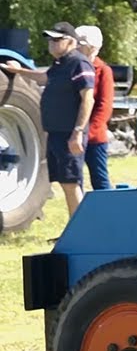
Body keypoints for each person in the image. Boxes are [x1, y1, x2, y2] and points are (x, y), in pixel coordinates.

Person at [2, 22, 95, 215]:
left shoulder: (79, 63)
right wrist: (19, 71)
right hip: (55, 133)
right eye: (50, 40)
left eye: (56, 40)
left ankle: (79, 234)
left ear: (70, 41)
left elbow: (88, 99)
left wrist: (77, 133)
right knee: (64, 182)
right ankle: (74, 231)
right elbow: (44, 78)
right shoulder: (60, 64)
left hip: (69, 134)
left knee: (71, 184)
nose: (51, 44)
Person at [76, 25, 114, 191]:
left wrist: (87, 134)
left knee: (100, 180)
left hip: (94, 138)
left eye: (80, 43)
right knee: (75, 181)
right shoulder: (75, 67)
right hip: (75, 136)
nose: (76, 47)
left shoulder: (103, 71)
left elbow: (104, 107)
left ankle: (109, 214)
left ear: (91, 47)